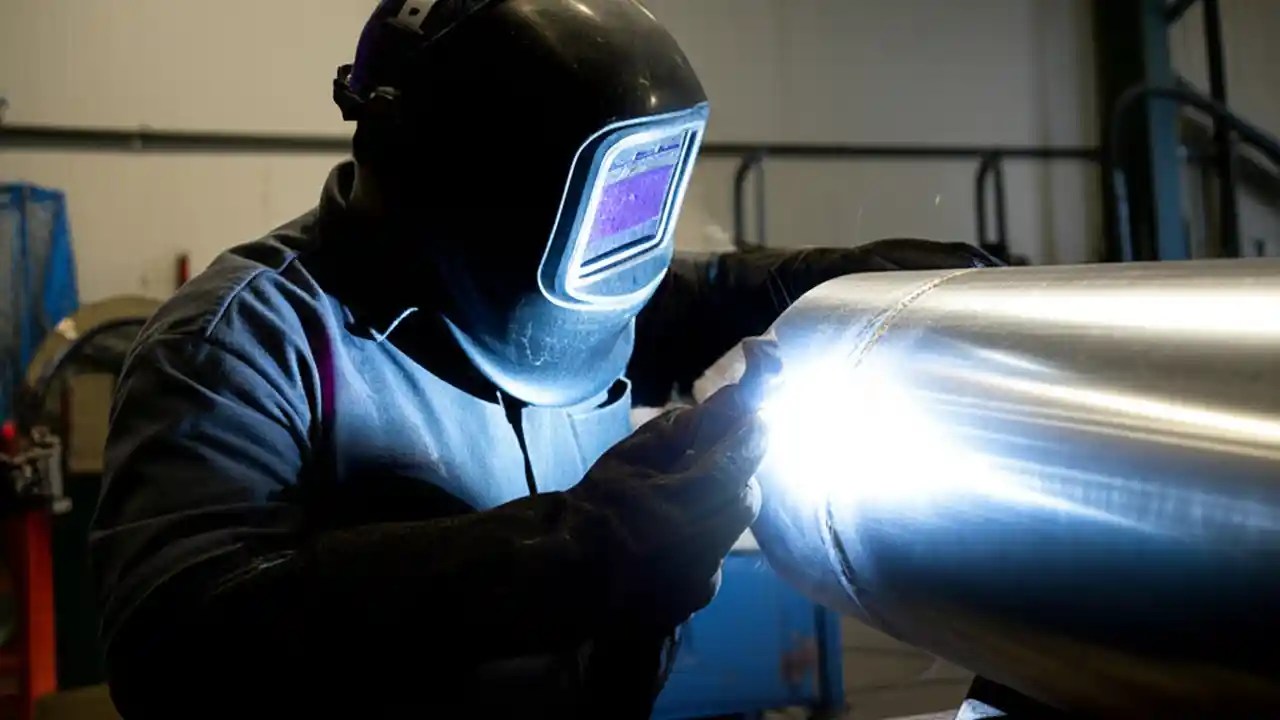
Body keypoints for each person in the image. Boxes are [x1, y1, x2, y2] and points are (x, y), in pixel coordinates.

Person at [89, 1, 997, 717]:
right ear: (460, 185)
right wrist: (569, 553)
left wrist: (832, 284)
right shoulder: (246, 344)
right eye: (595, 209)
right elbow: (172, 646)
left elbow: (688, 292)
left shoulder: (580, 290)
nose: (618, 257)